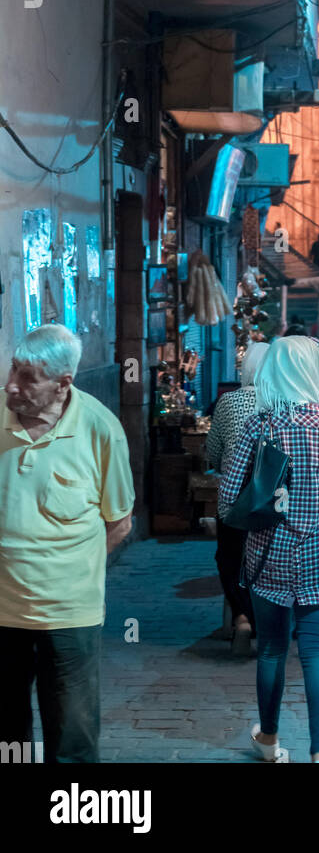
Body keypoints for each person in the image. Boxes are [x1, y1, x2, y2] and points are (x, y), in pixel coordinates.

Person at [219, 337, 319, 764]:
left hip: (267, 555)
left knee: (273, 650)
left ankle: (270, 740)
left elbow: (227, 501)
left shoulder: (258, 426)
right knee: (318, 651)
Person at [0, 325, 134, 764]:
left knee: (72, 736)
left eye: (27, 377)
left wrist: (76, 569)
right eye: (13, 370)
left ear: (63, 384)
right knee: (7, 738)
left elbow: (119, 522)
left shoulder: (100, 429)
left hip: (69, 614)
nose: (11, 385)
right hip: (3, 612)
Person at [206, 339, 270, 655]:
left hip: (233, 500)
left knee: (229, 558)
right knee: (266, 561)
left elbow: (214, 454)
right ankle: (268, 620)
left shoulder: (228, 402)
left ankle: (242, 618)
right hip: (272, 501)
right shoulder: (283, 402)